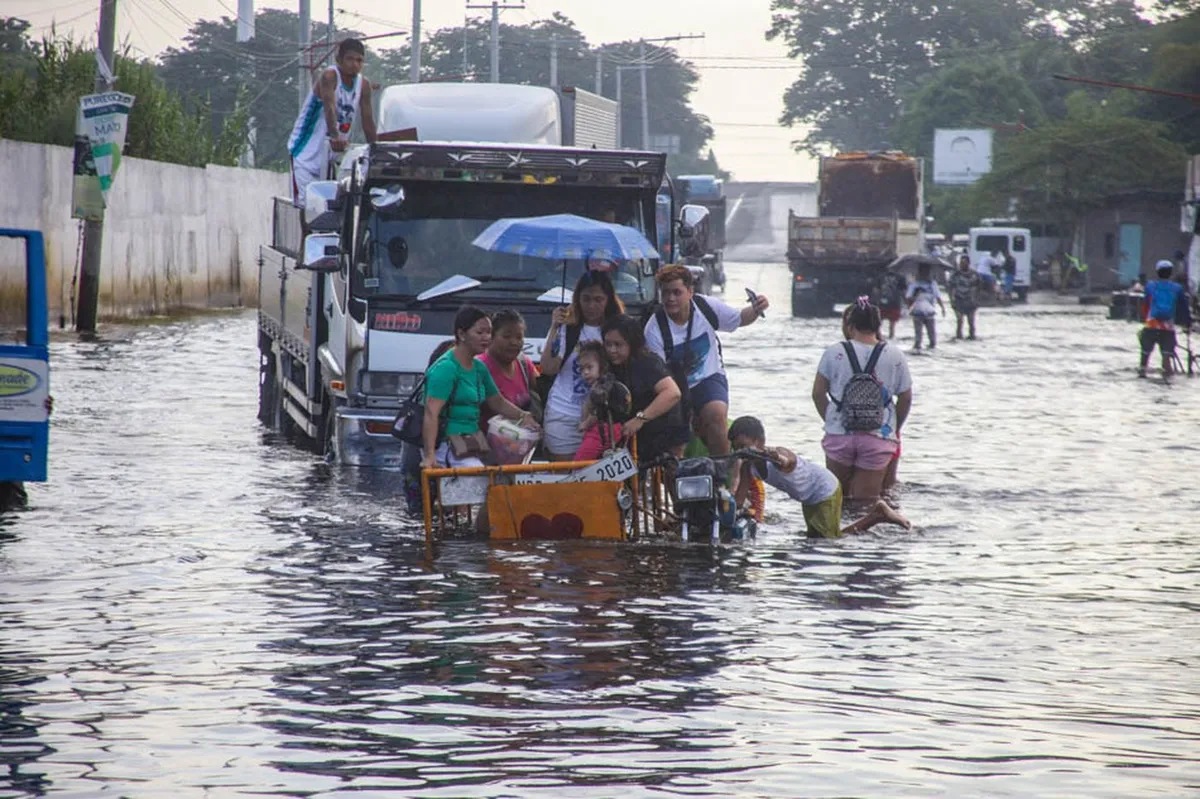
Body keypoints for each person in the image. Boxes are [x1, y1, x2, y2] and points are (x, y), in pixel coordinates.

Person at [644, 264, 768, 457]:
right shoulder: (653, 330)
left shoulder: (705, 307)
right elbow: (659, 378)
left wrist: (756, 308)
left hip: (709, 377)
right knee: (674, 444)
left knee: (716, 416)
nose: (671, 299)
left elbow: (739, 319)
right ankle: (676, 481)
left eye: (677, 292)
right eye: (666, 293)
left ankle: (720, 474)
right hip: (674, 386)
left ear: (690, 292)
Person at [728, 416, 910, 538]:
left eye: (743, 446)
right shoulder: (748, 466)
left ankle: (876, 515)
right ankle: (876, 515)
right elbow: (739, 497)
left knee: (830, 542)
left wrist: (769, 454)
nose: (740, 452)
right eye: (736, 448)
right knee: (815, 539)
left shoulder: (778, 453)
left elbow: (784, 461)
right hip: (808, 498)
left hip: (824, 490)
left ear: (759, 442)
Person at [812, 297, 913, 501]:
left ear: (851, 325)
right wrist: (894, 425)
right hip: (878, 437)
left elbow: (817, 393)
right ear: (879, 324)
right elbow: (905, 397)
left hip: (839, 435)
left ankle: (837, 533)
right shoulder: (895, 355)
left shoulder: (834, 352)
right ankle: (865, 533)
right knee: (865, 504)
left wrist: (832, 419)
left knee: (836, 500)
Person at [420, 306, 538, 471]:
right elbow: (431, 413)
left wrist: (523, 416)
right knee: (481, 486)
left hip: (470, 443)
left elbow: (496, 401)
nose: (486, 338)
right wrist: (430, 455)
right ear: (461, 335)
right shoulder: (446, 368)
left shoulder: (478, 367)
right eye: (480, 333)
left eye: (489, 332)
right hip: (446, 446)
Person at [539, 270, 625, 460]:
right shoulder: (567, 328)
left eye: (598, 299)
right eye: (586, 299)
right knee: (564, 480)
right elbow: (548, 368)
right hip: (563, 415)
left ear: (608, 300)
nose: (591, 306)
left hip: (603, 418)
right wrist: (555, 327)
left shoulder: (617, 329)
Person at [287, 38, 378, 206]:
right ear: (339, 60)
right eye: (350, 59)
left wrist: (377, 149)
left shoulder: (363, 85)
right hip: (305, 151)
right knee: (308, 206)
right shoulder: (330, 76)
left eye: (359, 60)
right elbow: (330, 108)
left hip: (329, 153)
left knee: (329, 206)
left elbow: (367, 121)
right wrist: (335, 136)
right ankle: (307, 234)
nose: (354, 64)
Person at [601, 314, 689, 463]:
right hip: (631, 434)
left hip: (664, 431)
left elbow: (672, 393)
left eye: (618, 345)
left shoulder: (648, 363)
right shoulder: (609, 365)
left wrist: (640, 419)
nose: (612, 350)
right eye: (608, 344)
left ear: (632, 344)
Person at [478, 309, 539, 427]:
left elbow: (543, 390)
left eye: (519, 337)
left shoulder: (524, 364)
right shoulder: (478, 367)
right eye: (507, 336)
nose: (514, 342)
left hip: (521, 441)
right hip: (485, 442)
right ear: (491, 337)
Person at [1138, 259, 1191, 379]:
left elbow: (1146, 305)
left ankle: (1141, 378)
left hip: (1151, 325)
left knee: (1144, 358)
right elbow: (1183, 309)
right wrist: (1187, 324)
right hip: (1168, 327)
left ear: (1157, 272)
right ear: (1171, 273)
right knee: (1166, 359)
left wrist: (1143, 319)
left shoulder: (1150, 286)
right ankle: (1167, 383)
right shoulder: (1177, 288)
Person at [573, 341, 624, 460]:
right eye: (581, 369)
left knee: (579, 464)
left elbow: (598, 412)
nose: (585, 372)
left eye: (589, 367)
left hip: (602, 432)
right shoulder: (599, 385)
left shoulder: (601, 388)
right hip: (603, 432)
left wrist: (585, 424)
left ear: (602, 366)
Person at [906, 263, 945, 350]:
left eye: (927, 272)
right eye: (923, 272)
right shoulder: (914, 284)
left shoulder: (932, 284)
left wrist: (942, 308)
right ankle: (918, 348)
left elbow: (938, 296)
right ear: (919, 272)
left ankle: (930, 348)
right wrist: (910, 305)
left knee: (932, 338)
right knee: (918, 338)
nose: (925, 274)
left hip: (929, 312)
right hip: (917, 312)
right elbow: (908, 297)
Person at [947, 254, 982, 340]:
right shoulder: (955, 274)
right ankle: (959, 336)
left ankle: (972, 336)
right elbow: (950, 287)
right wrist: (951, 300)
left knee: (971, 321)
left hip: (970, 301)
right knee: (959, 320)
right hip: (958, 300)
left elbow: (980, 287)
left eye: (964, 263)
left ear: (968, 263)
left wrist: (977, 299)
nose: (962, 265)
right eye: (961, 263)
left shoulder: (974, 274)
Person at [873, 269, 908, 340]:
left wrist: (876, 301)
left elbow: (876, 291)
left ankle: (878, 338)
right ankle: (891, 338)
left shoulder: (881, 277)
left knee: (879, 323)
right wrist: (906, 303)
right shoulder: (901, 278)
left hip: (882, 303)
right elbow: (904, 292)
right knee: (892, 325)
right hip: (895, 303)